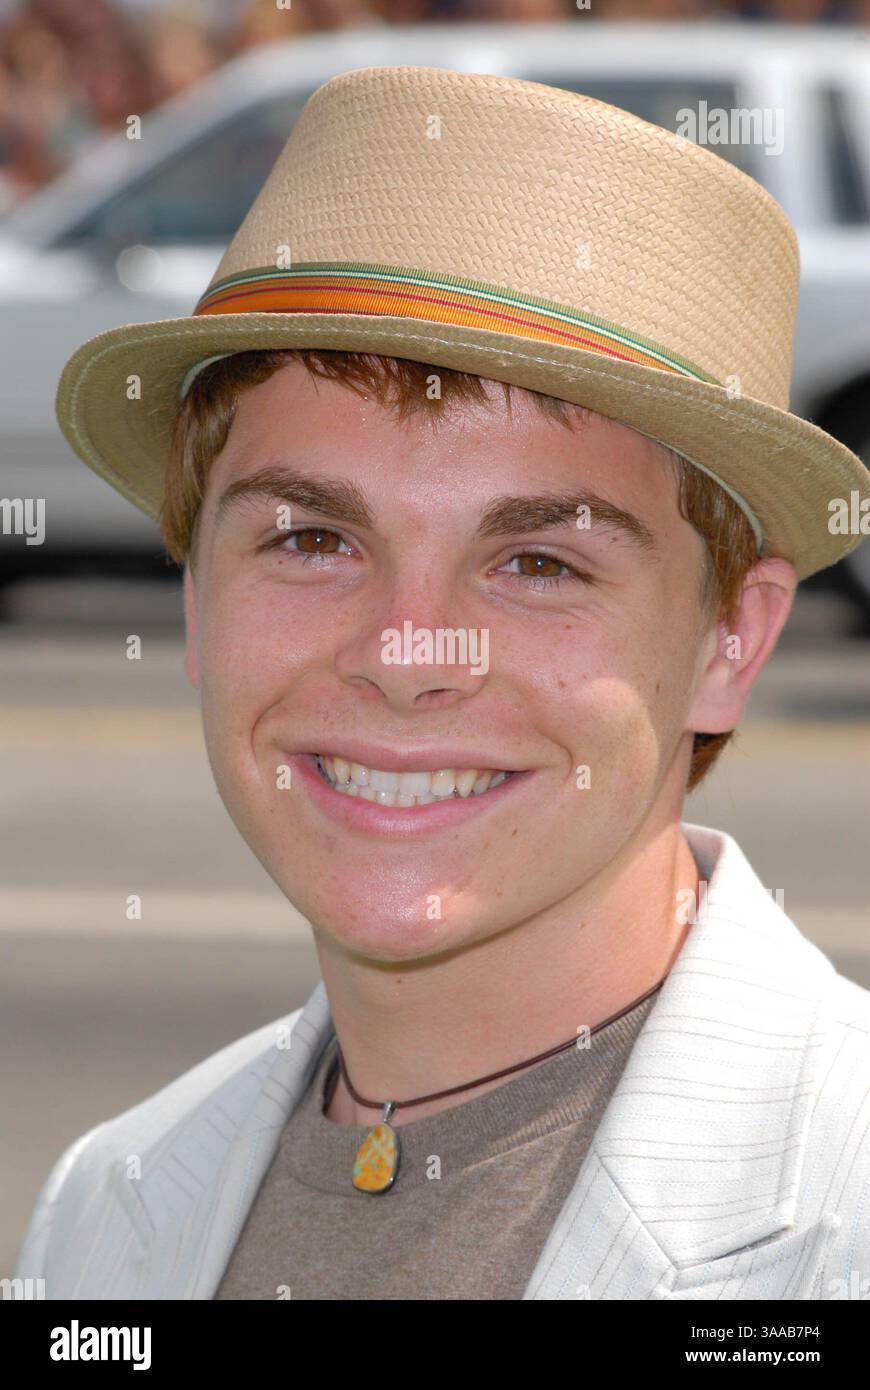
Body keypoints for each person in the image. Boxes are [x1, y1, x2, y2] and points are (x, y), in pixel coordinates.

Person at [15, 66, 870, 1300]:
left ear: (731, 640)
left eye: (536, 561)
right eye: (313, 540)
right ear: (196, 602)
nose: (408, 655)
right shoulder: (111, 1203)